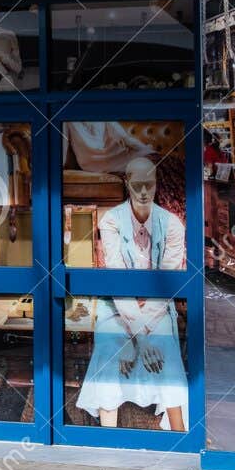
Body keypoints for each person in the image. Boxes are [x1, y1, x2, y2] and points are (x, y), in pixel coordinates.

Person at [76, 157, 190, 431]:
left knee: (166, 352)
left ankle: (181, 435)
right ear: (127, 183)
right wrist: (137, 338)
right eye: (137, 185)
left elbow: (166, 287)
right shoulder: (111, 221)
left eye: (148, 185)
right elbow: (117, 282)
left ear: (155, 184)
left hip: (156, 306)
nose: (143, 192)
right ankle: (108, 437)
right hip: (118, 307)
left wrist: (141, 338)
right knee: (109, 349)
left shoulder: (173, 225)